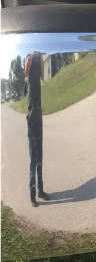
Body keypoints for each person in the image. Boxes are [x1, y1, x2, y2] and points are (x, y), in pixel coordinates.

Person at [24, 51, 46, 205]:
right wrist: (32, 56)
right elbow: (26, 71)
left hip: (39, 114)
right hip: (32, 117)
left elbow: (43, 76)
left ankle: (41, 190)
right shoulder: (29, 62)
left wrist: (40, 58)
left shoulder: (38, 64)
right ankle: (32, 197)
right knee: (33, 159)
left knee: (40, 157)